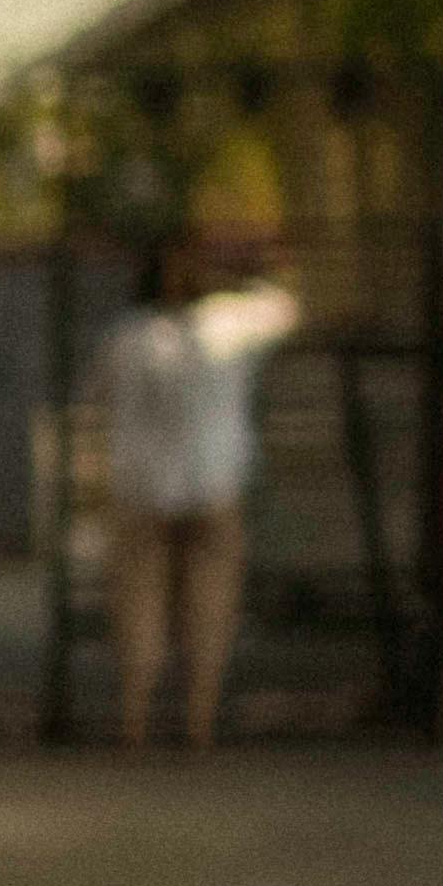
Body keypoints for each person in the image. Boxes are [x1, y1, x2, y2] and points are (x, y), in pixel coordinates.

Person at [93, 225, 294, 748]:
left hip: (140, 485)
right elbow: (285, 307)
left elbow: (101, 397)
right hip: (213, 481)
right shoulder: (229, 324)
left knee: (139, 601)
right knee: (211, 603)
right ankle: (198, 717)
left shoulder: (126, 337)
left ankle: (135, 717)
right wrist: (246, 269)